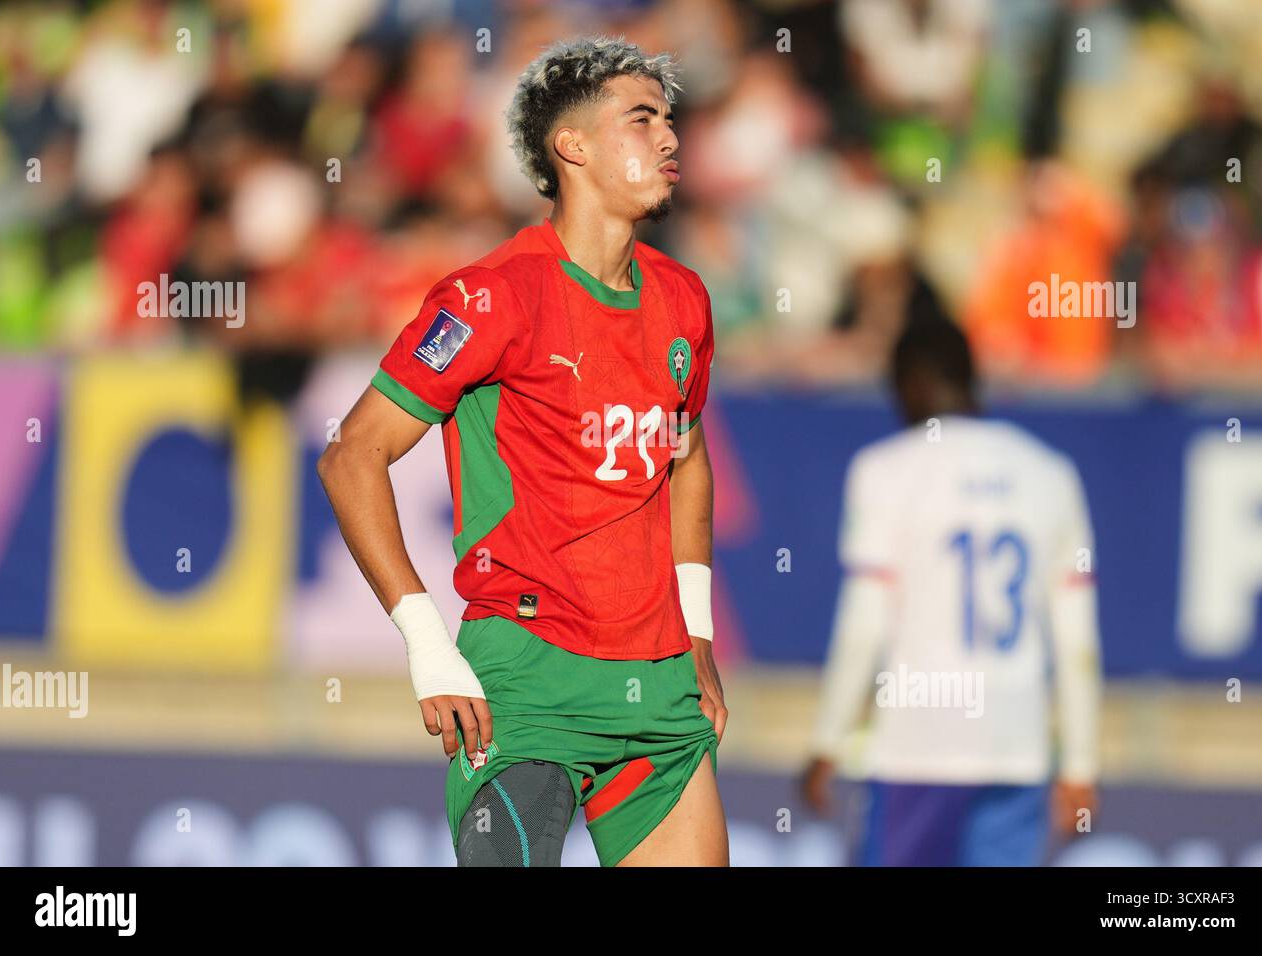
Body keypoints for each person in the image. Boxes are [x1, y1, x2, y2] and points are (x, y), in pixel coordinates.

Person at [318, 35, 728, 867]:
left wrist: (699, 635)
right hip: (525, 679)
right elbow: (351, 454)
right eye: (642, 119)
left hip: (656, 686)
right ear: (570, 147)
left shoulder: (683, 299)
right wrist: (427, 643)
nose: (670, 138)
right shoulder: (491, 297)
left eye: (670, 120)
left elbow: (685, 459)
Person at [799, 318, 1102, 865]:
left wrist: (829, 741)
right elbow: (1077, 641)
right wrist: (1080, 764)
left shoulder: (886, 470)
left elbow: (865, 623)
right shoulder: (1051, 473)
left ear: (910, 383)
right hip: (1016, 749)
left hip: (919, 748)